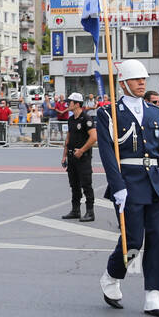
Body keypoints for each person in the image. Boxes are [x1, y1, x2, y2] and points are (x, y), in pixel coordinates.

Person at [95, 60, 159, 317]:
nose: (142, 83)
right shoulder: (108, 113)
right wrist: (117, 186)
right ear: (123, 83)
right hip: (129, 183)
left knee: (158, 238)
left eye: (144, 79)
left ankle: (153, 294)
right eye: (136, 79)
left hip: (156, 183)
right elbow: (108, 153)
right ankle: (112, 274)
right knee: (134, 241)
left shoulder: (153, 112)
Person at [60, 92, 96, 222]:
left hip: (83, 157)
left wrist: (82, 150)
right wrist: (64, 155)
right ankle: (75, 210)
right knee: (74, 185)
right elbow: (68, 138)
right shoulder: (71, 119)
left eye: (69, 102)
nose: (67, 104)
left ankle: (90, 212)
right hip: (71, 157)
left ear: (76, 104)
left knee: (86, 184)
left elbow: (94, 137)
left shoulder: (86, 118)